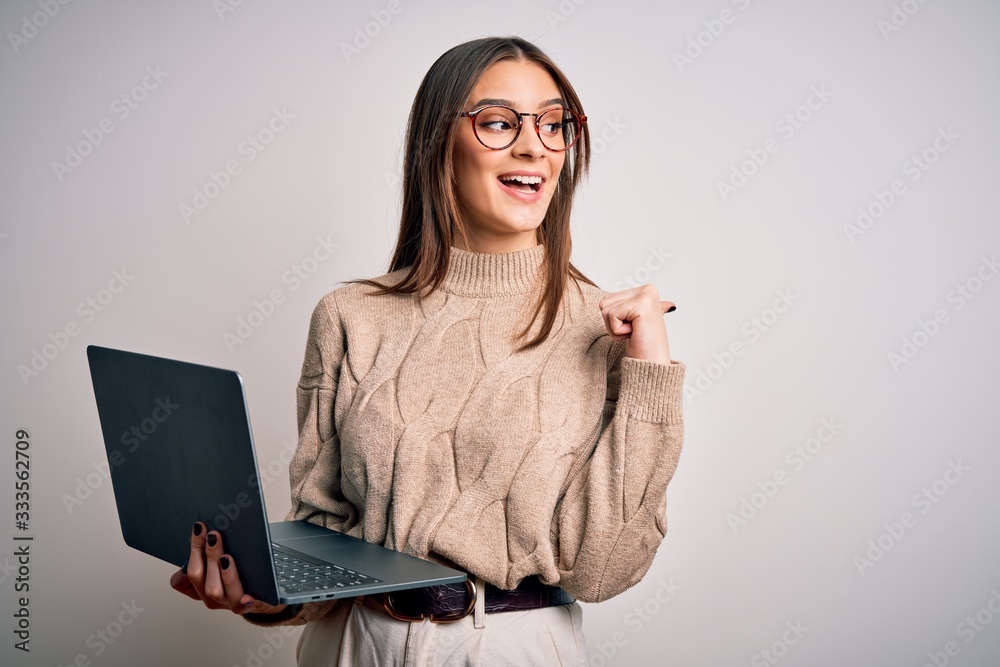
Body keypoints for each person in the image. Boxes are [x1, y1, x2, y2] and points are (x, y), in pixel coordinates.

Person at [170, 35, 685, 665]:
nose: (534, 147)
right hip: (350, 645)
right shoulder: (349, 316)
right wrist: (265, 592)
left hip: (507, 647)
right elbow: (324, 530)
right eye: (499, 122)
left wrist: (650, 377)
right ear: (438, 142)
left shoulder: (610, 331)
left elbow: (601, 572)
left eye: (555, 126)